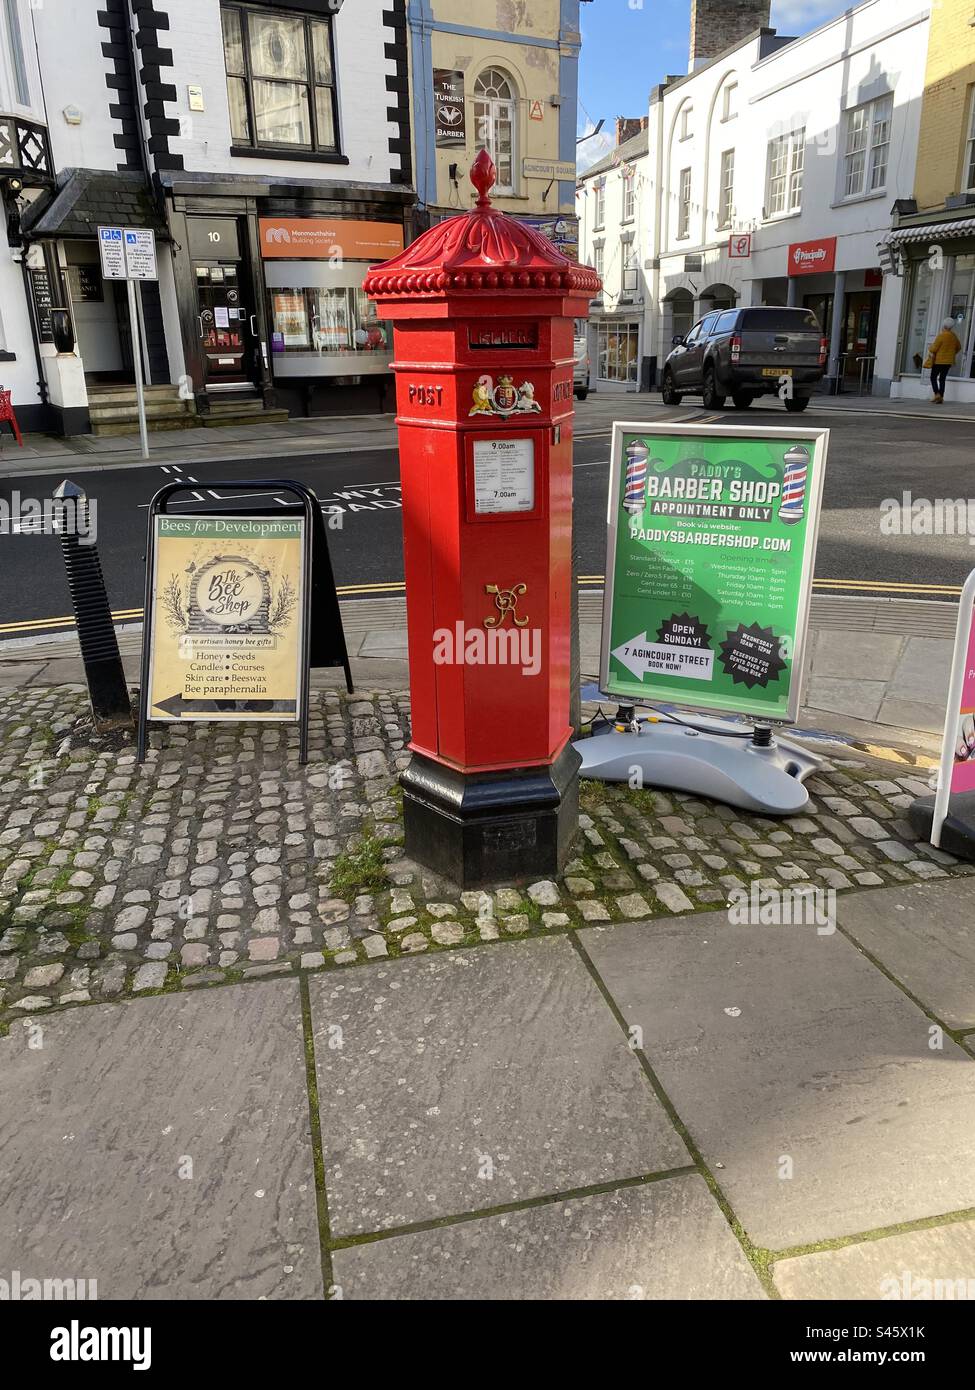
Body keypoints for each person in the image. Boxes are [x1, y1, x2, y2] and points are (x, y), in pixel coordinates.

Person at [925, 318, 962, 403]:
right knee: (942, 378)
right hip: (948, 362)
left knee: (933, 377)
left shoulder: (941, 335)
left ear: (944, 326)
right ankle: (941, 397)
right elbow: (958, 347)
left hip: (939, 361)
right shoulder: (954, 336)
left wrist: (929, 347)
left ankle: (936, 394)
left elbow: (934, 349)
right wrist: (952, 353)